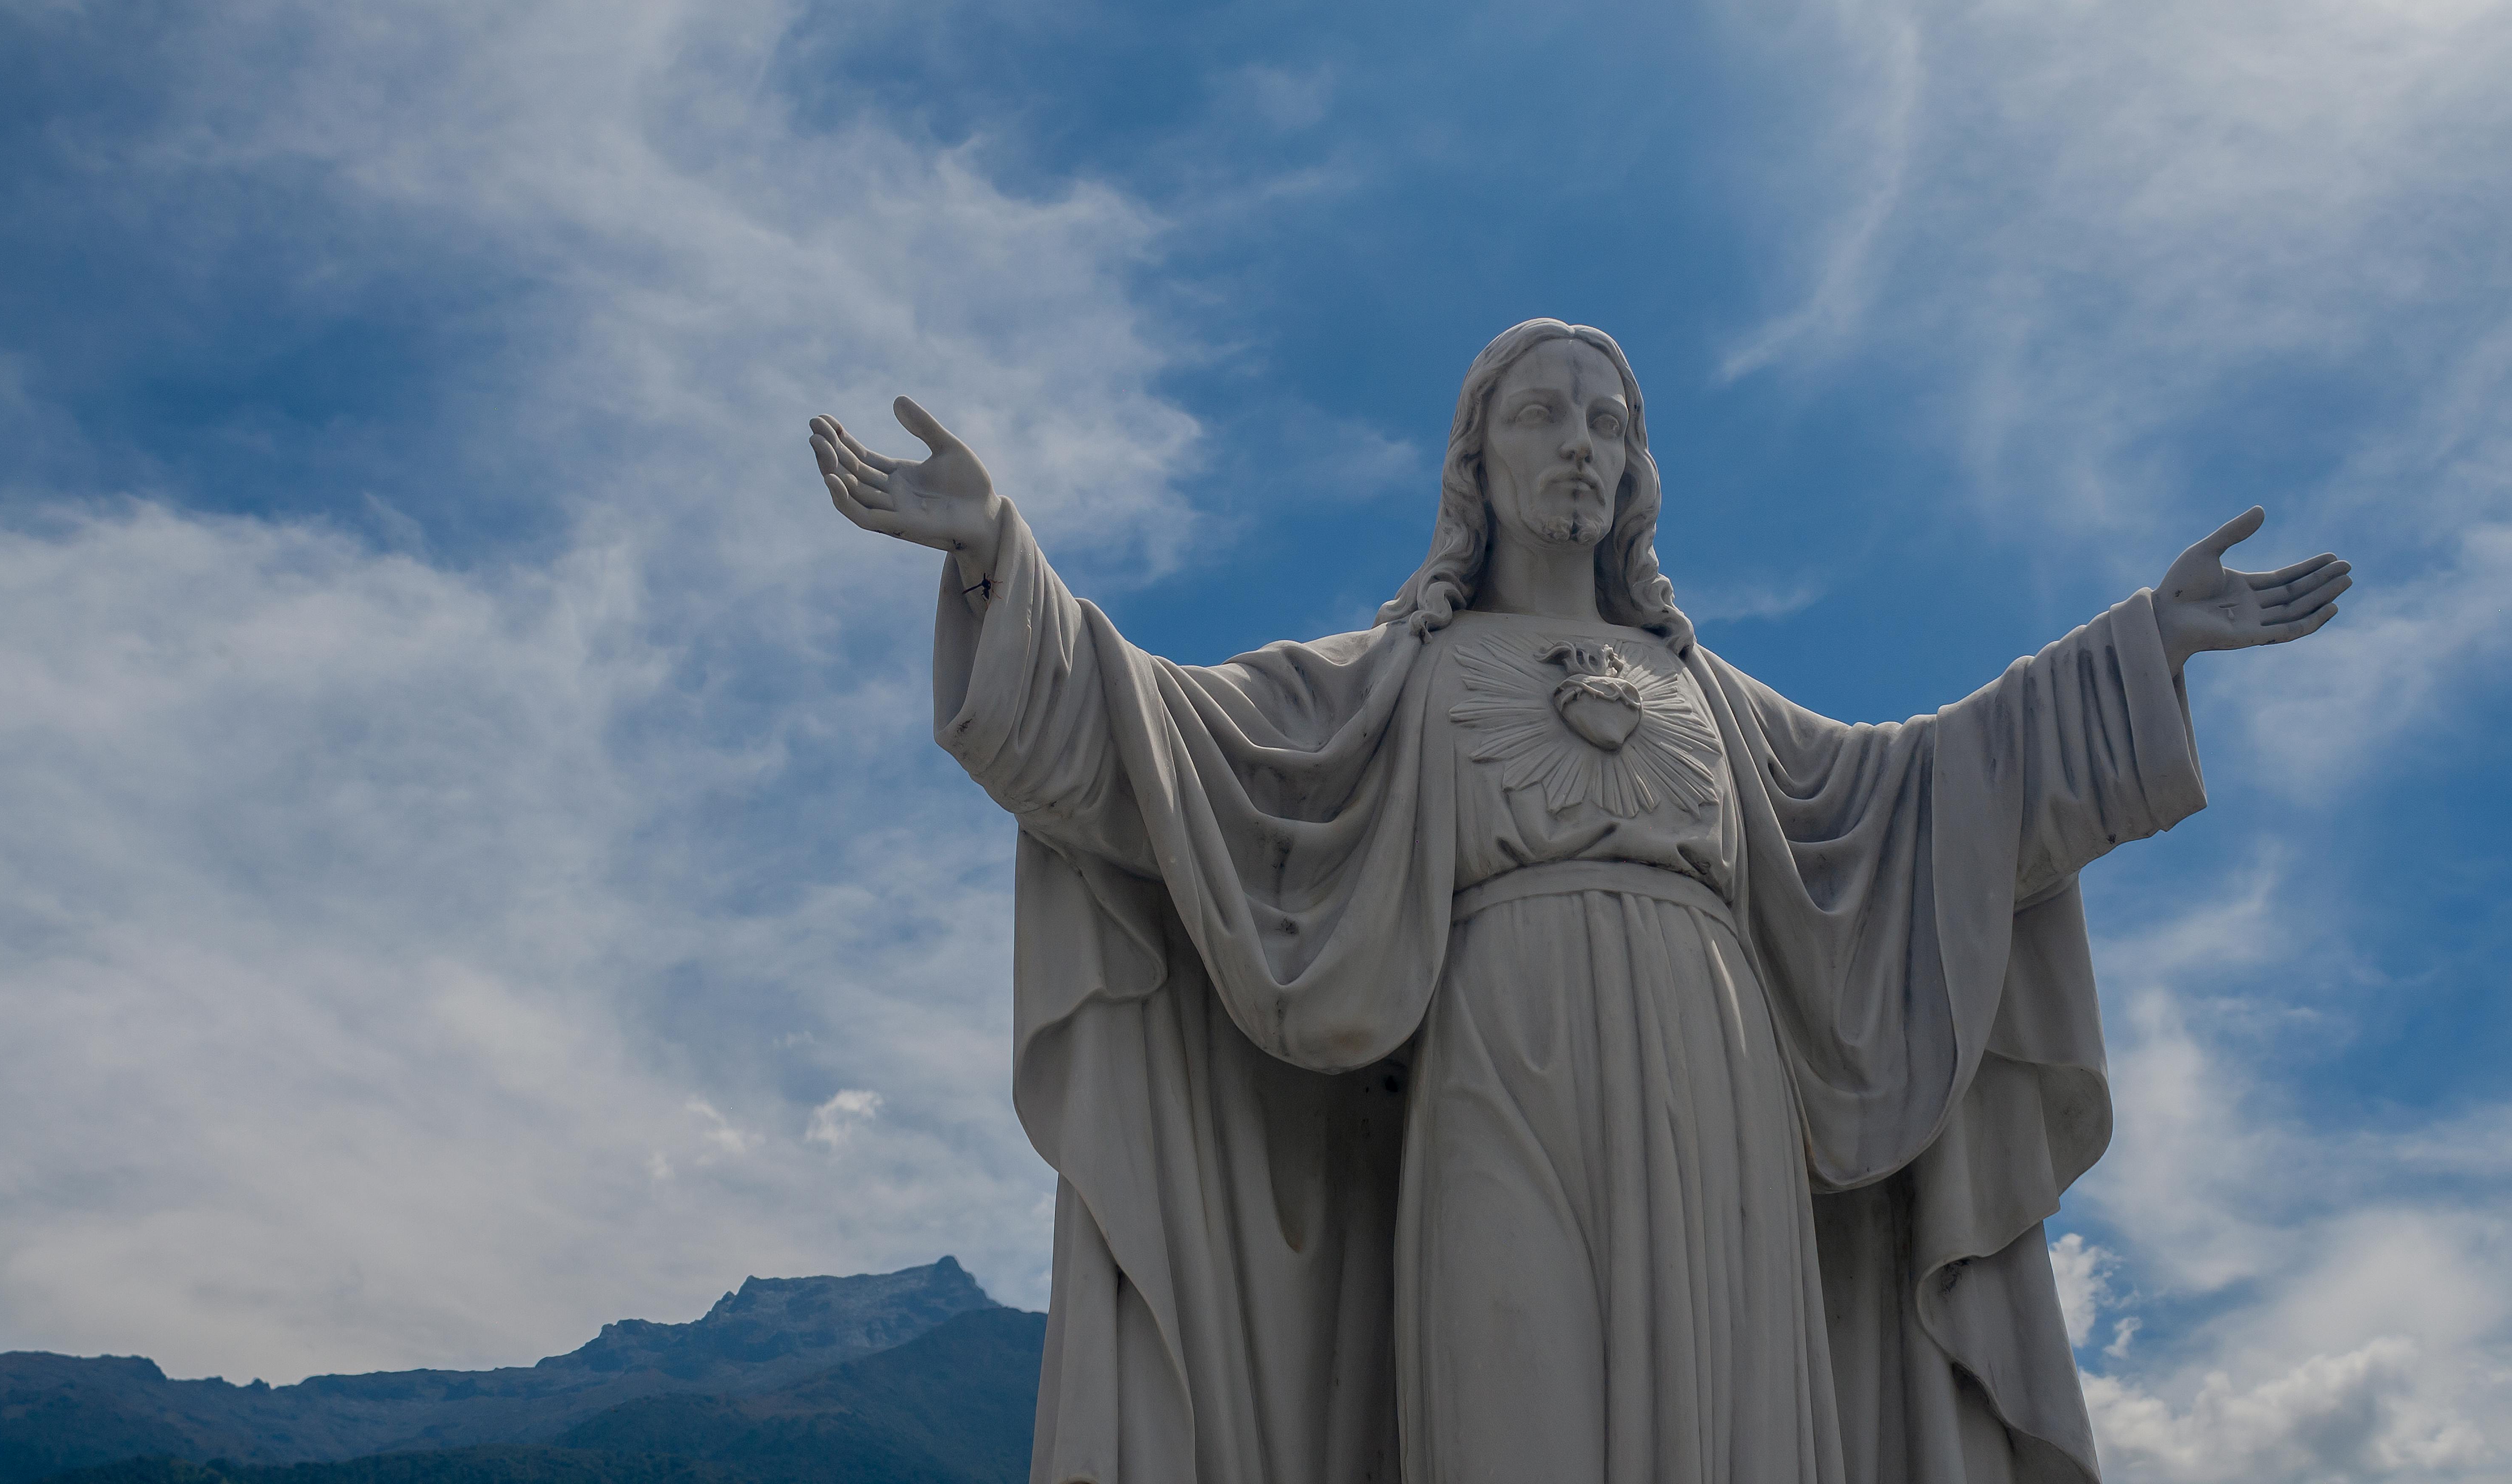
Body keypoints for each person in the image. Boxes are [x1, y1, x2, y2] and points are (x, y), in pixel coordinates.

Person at [809, 319, 2349, 1484]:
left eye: (1609, 422)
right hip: (1497, 1073)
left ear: (1635, 470)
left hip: (1716, 1100)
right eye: (1542, 415)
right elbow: (1165, 737)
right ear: (1474, 461)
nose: (1581, 445)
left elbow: (1929, 787)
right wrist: (1002, 560)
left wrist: (2142, 648)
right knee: (1507, 1411)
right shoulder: (1394, 674)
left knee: (1732, 1430)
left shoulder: (1707, 697)